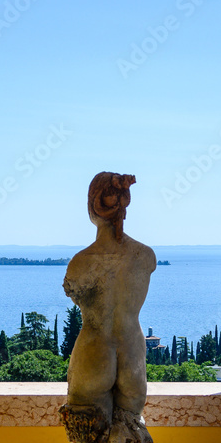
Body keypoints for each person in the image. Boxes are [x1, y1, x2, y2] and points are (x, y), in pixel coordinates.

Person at [64, 172, 156, 427]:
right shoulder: (146, 256)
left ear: (93, 206)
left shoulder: (80, 263)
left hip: (94, 353)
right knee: (128, 441)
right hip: (133, 355)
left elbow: (77, 298)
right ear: (124, 205)